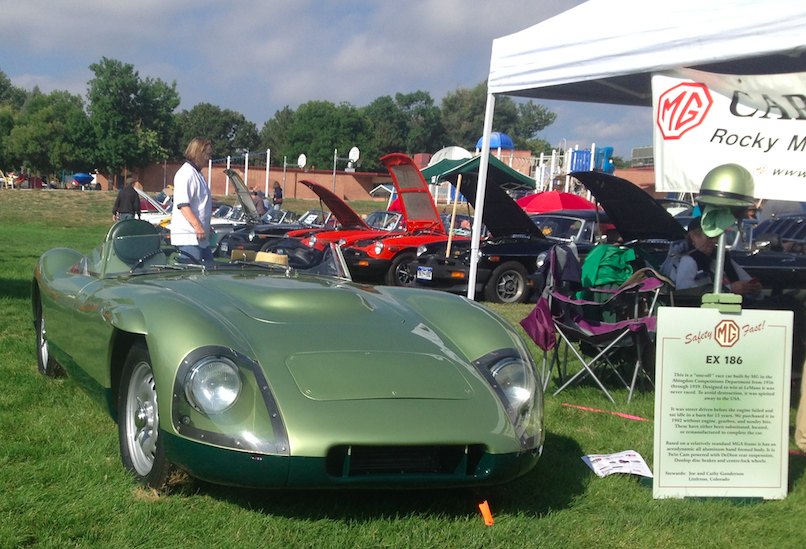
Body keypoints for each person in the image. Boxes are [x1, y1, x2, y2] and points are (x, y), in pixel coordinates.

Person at [171, 137, 214, 264]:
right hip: (189, 237)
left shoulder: (198, 174)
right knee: (192, 277)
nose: (209, 158)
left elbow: (200, 203)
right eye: (208, 154)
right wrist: (198, 226)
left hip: (200, 237)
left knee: (210, 270)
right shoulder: (185, 174)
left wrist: (207, 226)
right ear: (198, 153)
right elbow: (183, 205)